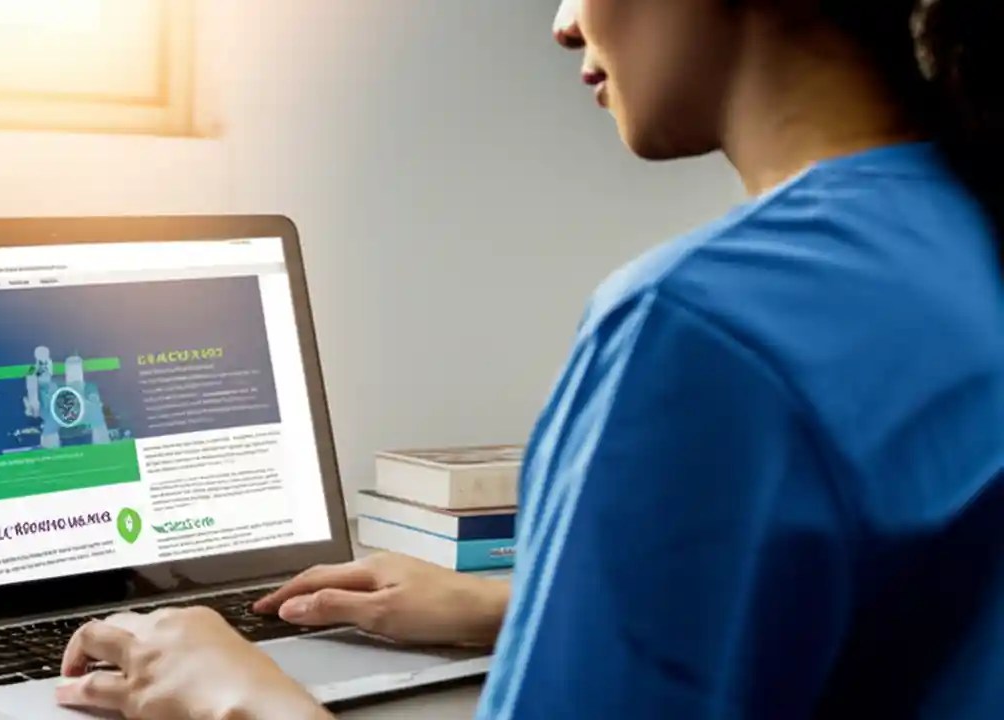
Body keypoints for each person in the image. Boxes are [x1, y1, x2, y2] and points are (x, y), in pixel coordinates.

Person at [55, 0, 1004, 717]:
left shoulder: (705, 320)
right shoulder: (962, 234)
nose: (560, 23)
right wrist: (516, 604)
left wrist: (234, 693)